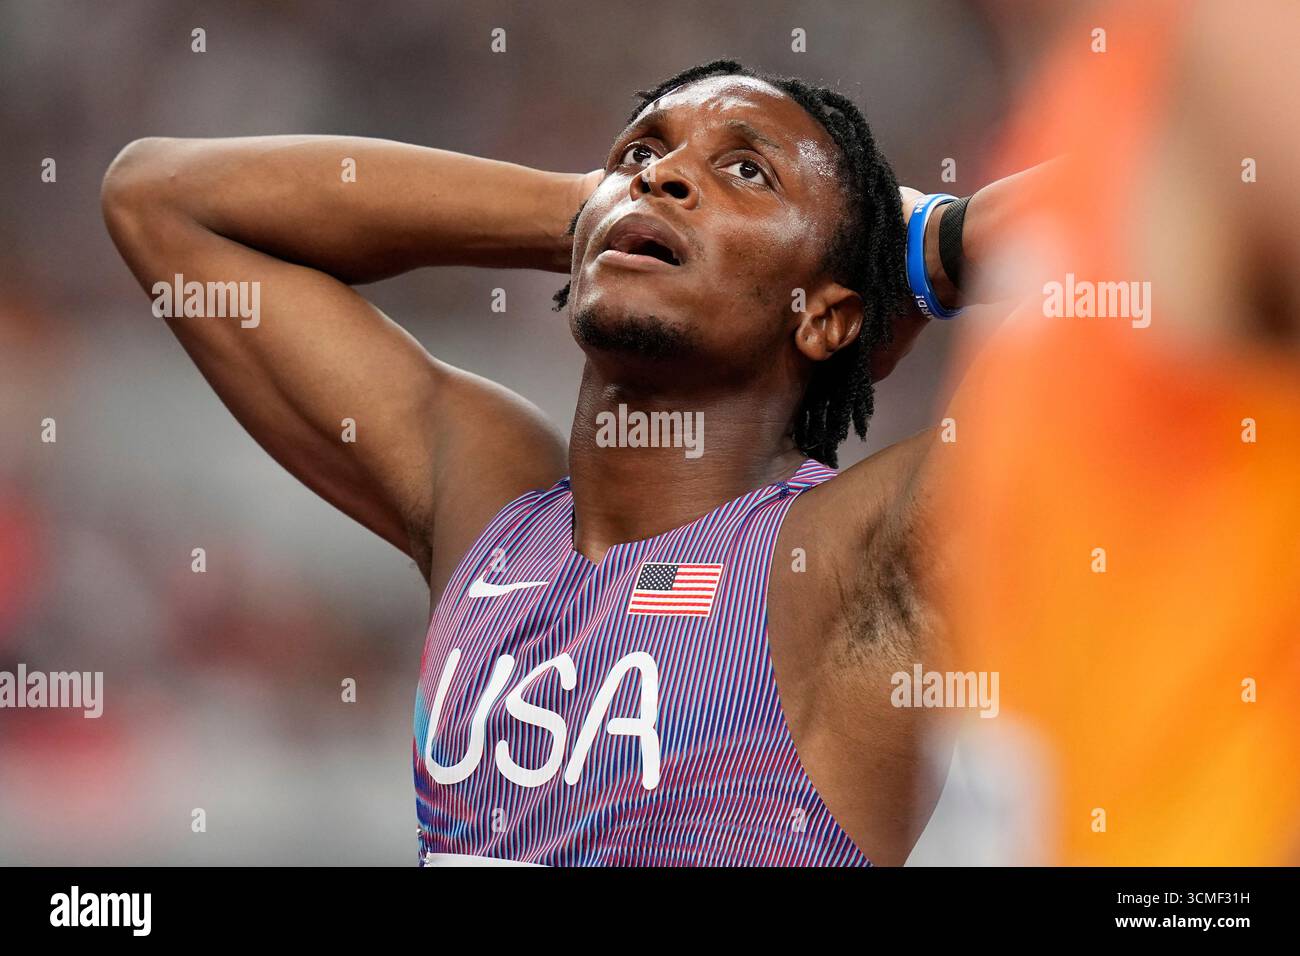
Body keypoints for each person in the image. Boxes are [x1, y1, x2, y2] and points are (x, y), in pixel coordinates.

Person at [101, 59, 1035, 866]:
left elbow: (1154, 225)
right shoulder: (488, 504)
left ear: (827, 313)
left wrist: (931, 250)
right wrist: (599, 209)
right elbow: (161, 199)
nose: (665, 176)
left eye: (746, 169)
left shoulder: (857, 557)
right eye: (641, 152)